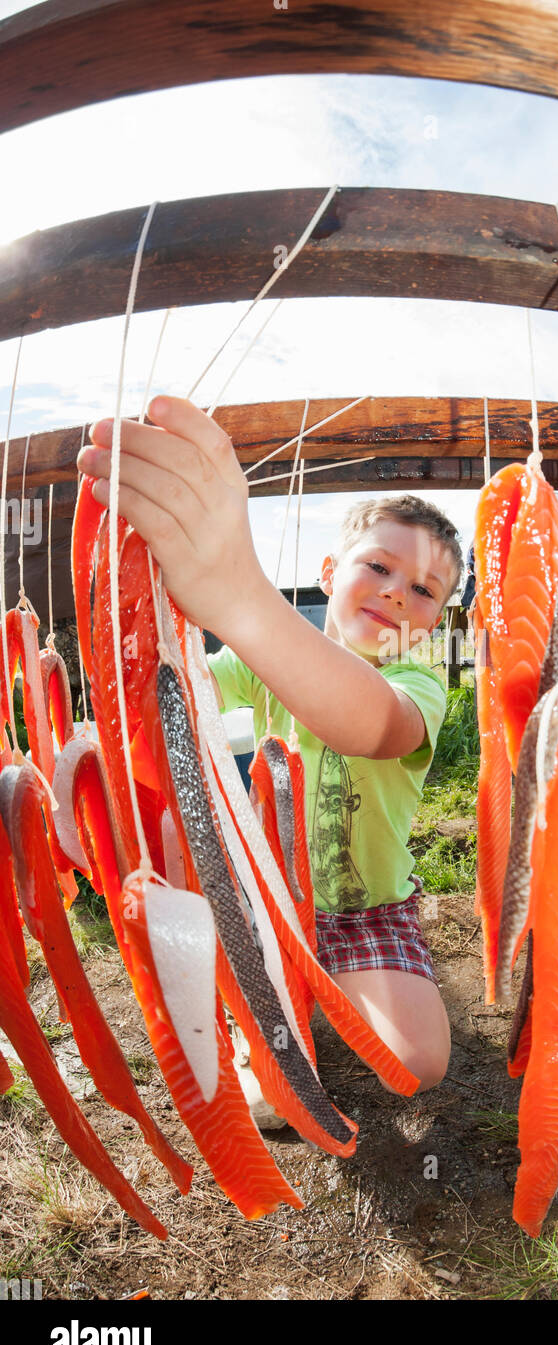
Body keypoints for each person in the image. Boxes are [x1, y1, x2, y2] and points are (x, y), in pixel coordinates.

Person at [77, 396, 461, 1106]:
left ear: (439, 618)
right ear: (327, 571)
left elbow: (372, 725)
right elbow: (175, 690)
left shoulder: (417, 679)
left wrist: (240, 595)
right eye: (377, 566)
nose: (396, 594)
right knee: (261, 1002)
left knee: (415, 1067)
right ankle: (272, 1008)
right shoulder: (260, 661)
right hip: (265, 896)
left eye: (423, 590)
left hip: (363, 906)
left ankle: (328, 982)